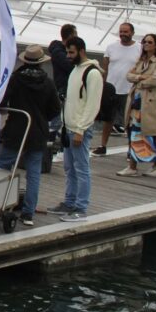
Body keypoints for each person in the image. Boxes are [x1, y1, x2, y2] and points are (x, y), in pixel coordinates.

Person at [0, 44, 60, 227]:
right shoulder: (48, 83)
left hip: (16, 128)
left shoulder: (15, 79)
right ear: (40, 62)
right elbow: (55, 109)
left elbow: (2, 103)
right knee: (33, 173)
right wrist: (41, 117)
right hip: (37, 130)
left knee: (2, 168)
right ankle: (28, 213)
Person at [58, 36, 103, 222]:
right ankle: (69, 202)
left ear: (81, 51)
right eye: (67, 52)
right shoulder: (75, 70)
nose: (68, 56)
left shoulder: (92, 73)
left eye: (71, 52)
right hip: (68, 127)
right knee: (69, 167)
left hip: (79, 129)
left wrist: (81, 129)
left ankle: (81, 208)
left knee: (81, 169)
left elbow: (92, 105)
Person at [121, 33, 156, 178]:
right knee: (134, 132)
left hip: (150, 102)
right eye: (144, 42)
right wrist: (141, 77)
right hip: (137, 101)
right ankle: (133, 165)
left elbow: (154, 80)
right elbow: (129, 76)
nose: (146, 44)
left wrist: (138, 80)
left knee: (152, 134)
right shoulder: (141, 60)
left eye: (149, 42)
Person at [96, 23, 141, 153]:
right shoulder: (111, 47)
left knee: (129, 122)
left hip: (129, 90)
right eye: (121, 31)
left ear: (132, 32)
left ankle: (130, 149)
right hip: (111, 89)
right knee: (108, 120)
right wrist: (102, 86)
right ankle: (103, 145)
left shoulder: (139, 48)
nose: (123, 34)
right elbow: (105, 68)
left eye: (126, 32)